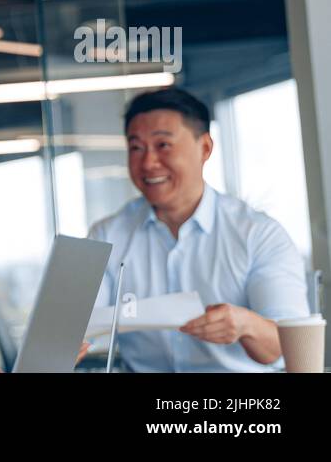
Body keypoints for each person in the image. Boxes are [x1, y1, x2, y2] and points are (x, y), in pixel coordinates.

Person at [89, 87, 309, 372]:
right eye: (136, 148)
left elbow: (290, 348)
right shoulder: (107, 235)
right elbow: (80, 328)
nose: (148, 162)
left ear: (205, 148)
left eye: (163, 145)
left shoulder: (257, 234)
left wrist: (246, 325)